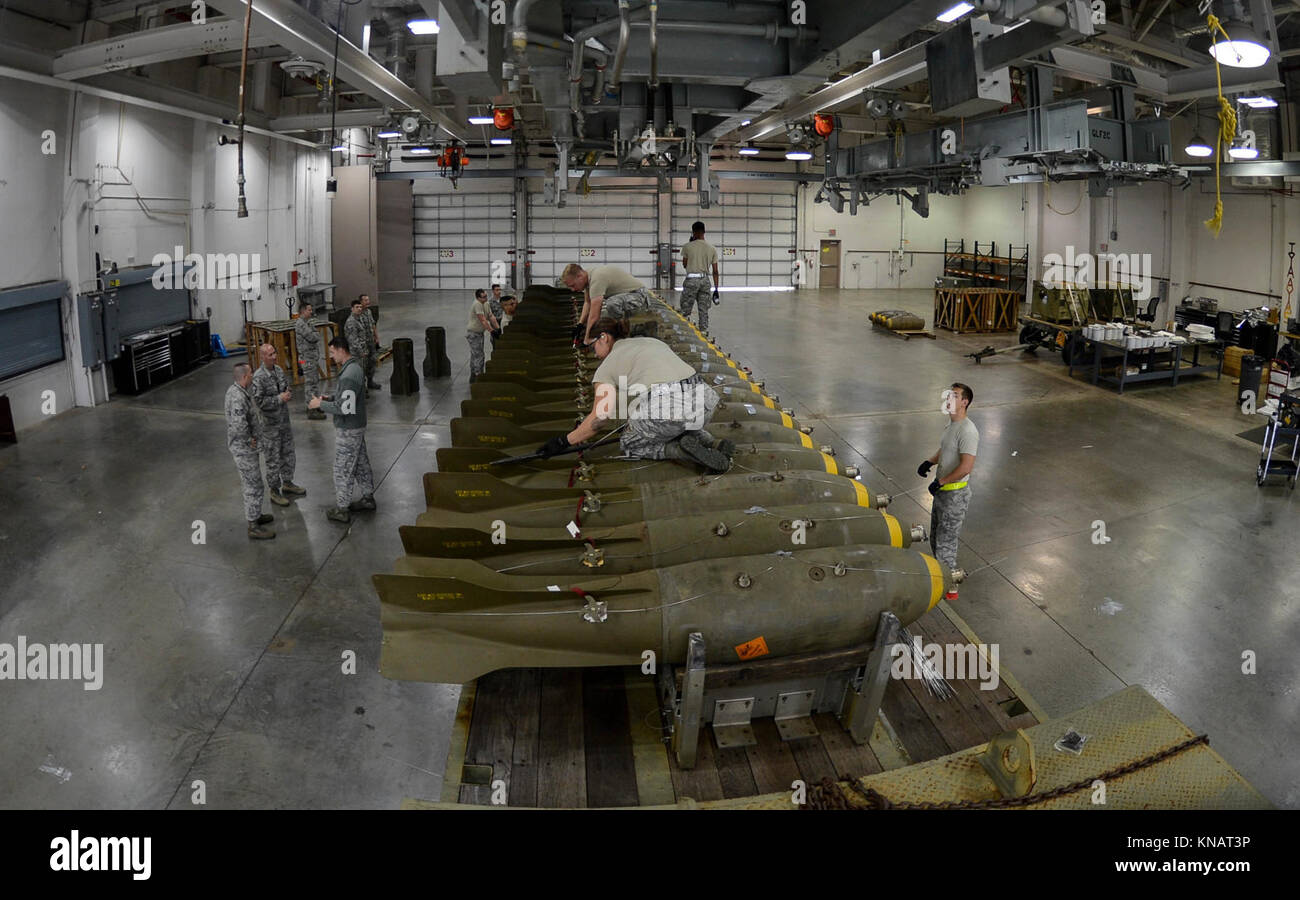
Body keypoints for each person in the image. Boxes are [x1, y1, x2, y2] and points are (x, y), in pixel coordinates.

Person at [536, 318, 733, 472]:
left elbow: (599, 419)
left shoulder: (607, 367)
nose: (593, 354)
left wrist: (564, 441)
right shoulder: (649, 342)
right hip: (705, 400)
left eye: (592, 346)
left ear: (604, 337)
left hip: (672, 408)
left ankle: (680, 451)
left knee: (629, 441)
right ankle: (711, 442)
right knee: (670, 421)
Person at [309, 337, 376, 523]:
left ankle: (342, 508)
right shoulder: (353, 368)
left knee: (342, 468)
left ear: (340, 350)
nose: (331, 357)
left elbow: (345, 408)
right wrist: (330, 398)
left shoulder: (348, 374)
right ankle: (368, 497)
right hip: (357, 425)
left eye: (332, 353)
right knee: (361, 463)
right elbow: (347, 398)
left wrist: (319, 404)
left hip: (349, 428)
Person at [917, 382, 979, 570]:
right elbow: (946, 449)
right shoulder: (952, 425)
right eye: (948, 395)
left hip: (955, 496)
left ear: (964, 402)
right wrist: (930, 461)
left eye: (954, 396)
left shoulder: (968, 431)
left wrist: (941, 481)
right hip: (942, 493)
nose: (949, 399)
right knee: (936, 538)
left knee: (946, 544)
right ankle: (939, 577)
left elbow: (966, 467)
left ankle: (949, 584)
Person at [251, 343, 305, 507]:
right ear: (262, 357)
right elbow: (259, 402)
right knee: (273, 459)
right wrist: (279, 399)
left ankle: (287, 483)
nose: (274, 356)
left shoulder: (279, 370)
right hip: (270, 427)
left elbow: (284, 387)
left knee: (288, 453)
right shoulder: (259, 377)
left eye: (274, 353)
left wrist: (287, 393)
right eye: (270, 355)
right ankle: (274, 490)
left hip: (284, 423)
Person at [225, 362, 274, 540]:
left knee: (254, 483)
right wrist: (250, 440)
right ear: (245, 376)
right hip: (243, 450)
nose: (253, 375)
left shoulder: (238, 391)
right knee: (253, 485)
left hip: (245, 448)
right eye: (251, 373)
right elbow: (238, 427)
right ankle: (253, 525)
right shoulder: (238, 397)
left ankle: (256, 514)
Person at [562, 263, 653, 342]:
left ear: (579, 276)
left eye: (573, 285)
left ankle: (626, 330)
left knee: (611, 304)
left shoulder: (596, 279)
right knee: (606, 312)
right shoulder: (587, 274)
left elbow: (594, 314)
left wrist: (587, 338)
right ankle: (623, 327)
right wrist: (580, 325)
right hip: (626, 297)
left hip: (639, 297)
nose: (573, 289)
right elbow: (587, 302)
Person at [680, 220, 720, 333]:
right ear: (704, 232)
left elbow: (684, 264)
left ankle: (683, 332)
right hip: (705, 280)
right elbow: (715, 271)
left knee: (685, 309)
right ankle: (703, 332)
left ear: (693, 232)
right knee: (703, 310)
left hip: (691, 280)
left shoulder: (687, 246)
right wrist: (716, 289)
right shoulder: (712, 248)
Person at [294, 300, 326, 420]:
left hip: (311, 358)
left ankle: (315, 404)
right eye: (309, 310)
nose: (311, 312)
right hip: (306, 359)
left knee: (315, 383)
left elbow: (316, 335)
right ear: (303, 311)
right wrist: (315, 334)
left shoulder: (308, 323)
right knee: (310, 384)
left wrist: (315, 333)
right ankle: (311, 409)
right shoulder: (301, 324)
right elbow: (313, 337)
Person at [467, 288, 498, 383]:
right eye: (483, 297)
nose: (485, 298)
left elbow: (491, 316)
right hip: (473, 334)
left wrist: (498, 328)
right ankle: (478, 377)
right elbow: (483, 320)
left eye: (486, 296)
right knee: (479, 356)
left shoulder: (486, 304)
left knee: (475, 354)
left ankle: (473, 376)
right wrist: (492, 331)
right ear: (478, 297)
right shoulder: (477, 304)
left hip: (480, 333)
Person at [344, 298, 371, 393]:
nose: (359, 309)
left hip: (362, 351)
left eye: (360, 307)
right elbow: (353, 340)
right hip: (357, 353)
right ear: (352, 309)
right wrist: (361, 352)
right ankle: (359, 391)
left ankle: (363, 389)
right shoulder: (351, 322)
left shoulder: (359, 319)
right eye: (356, 307)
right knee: (357, 373)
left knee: (362, 372)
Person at [360, 293, 381, 390]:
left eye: (368, 300)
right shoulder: (358, 314)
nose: (368, 302)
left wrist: (376, 337)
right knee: (363, 364)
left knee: (372, 362)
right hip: (363, 344)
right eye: (365, 300)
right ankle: (362, 386)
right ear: (361, 302)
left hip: (371, 342)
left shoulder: (369, 312)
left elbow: (373, 324)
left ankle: (370, 381)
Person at [488, 284, 506, 349]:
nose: (499, 291)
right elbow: (489, 316)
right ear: (493, 291)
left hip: (503, 326)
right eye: (497, 290)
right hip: (495, 327)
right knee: (495, 345)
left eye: (499, 290)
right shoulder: (490, 302)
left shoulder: (504, 301)